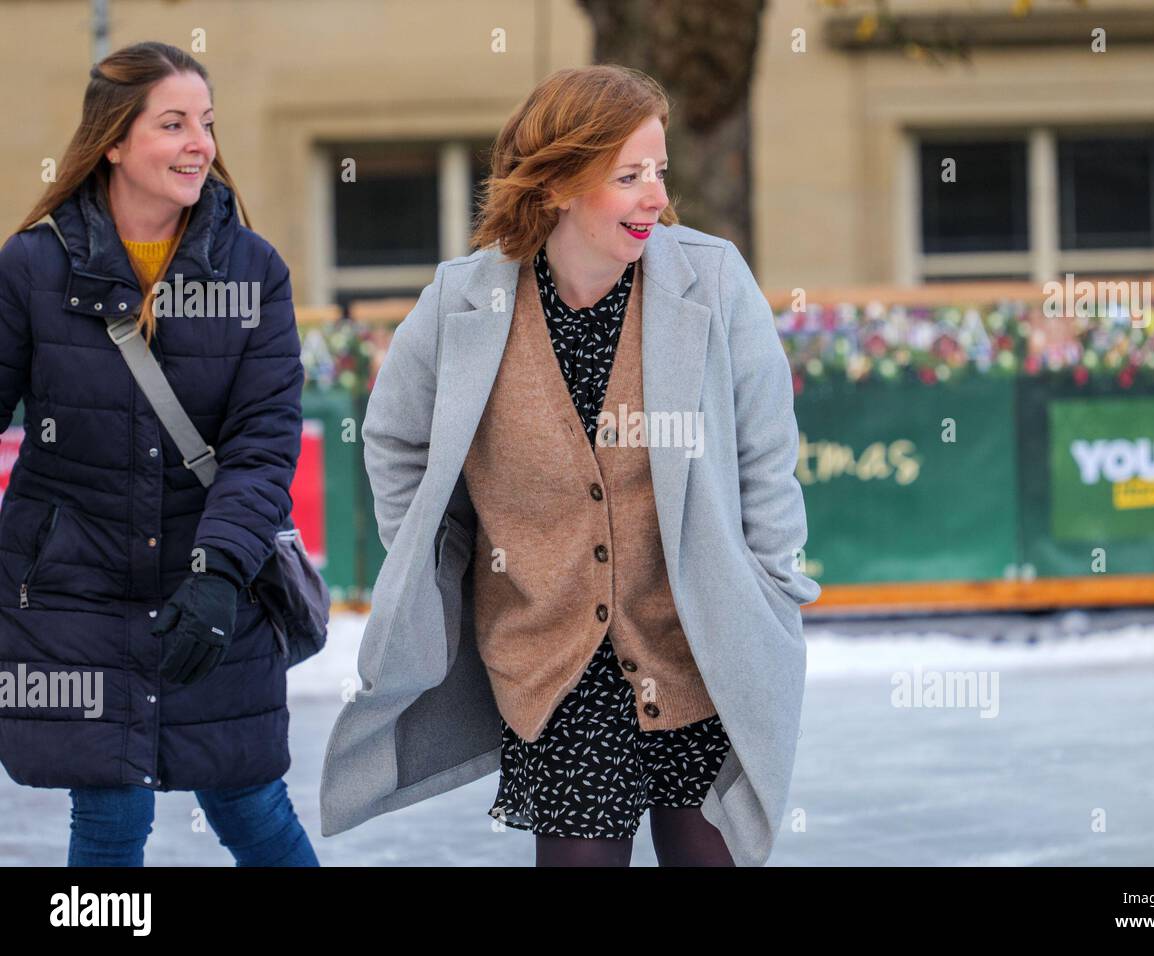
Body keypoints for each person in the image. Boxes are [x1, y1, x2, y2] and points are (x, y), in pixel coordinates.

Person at [321, 63, 820, 867]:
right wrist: (441, 558)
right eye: (628, 177)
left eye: (658, 172)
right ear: (556, 184)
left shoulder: (713, 281)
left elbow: (765, 449)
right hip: (552, 652)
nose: (655, 196)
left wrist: (767, 581)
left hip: (695, 639)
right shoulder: (463, 304)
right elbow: (394, 438)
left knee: (706, 855)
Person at [0, 41, 317, 867]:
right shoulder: (34, 268)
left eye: (205, 124)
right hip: (75, 589)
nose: (198, 144)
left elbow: (263, 441)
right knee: (106, 819)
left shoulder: (253, 271)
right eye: (172, 124)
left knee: (248, 803)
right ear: (113, 141)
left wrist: (218, 573)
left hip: (214, 583)